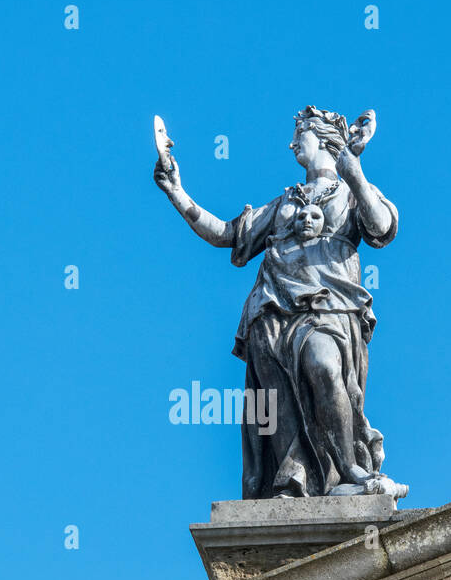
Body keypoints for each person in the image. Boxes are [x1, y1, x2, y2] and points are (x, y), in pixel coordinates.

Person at [154, 106, 407, 500]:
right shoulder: (284, 201)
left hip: (328, 306)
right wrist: (176, 192)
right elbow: (226, 234)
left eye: (299, 134)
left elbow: (382, 228)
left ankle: (349, 469)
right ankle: (293, 482)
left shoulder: (350, 192)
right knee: (277, 403)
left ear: (322, 137)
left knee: (323, 365)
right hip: (270, 310)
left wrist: (354, 169)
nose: (292, 143)